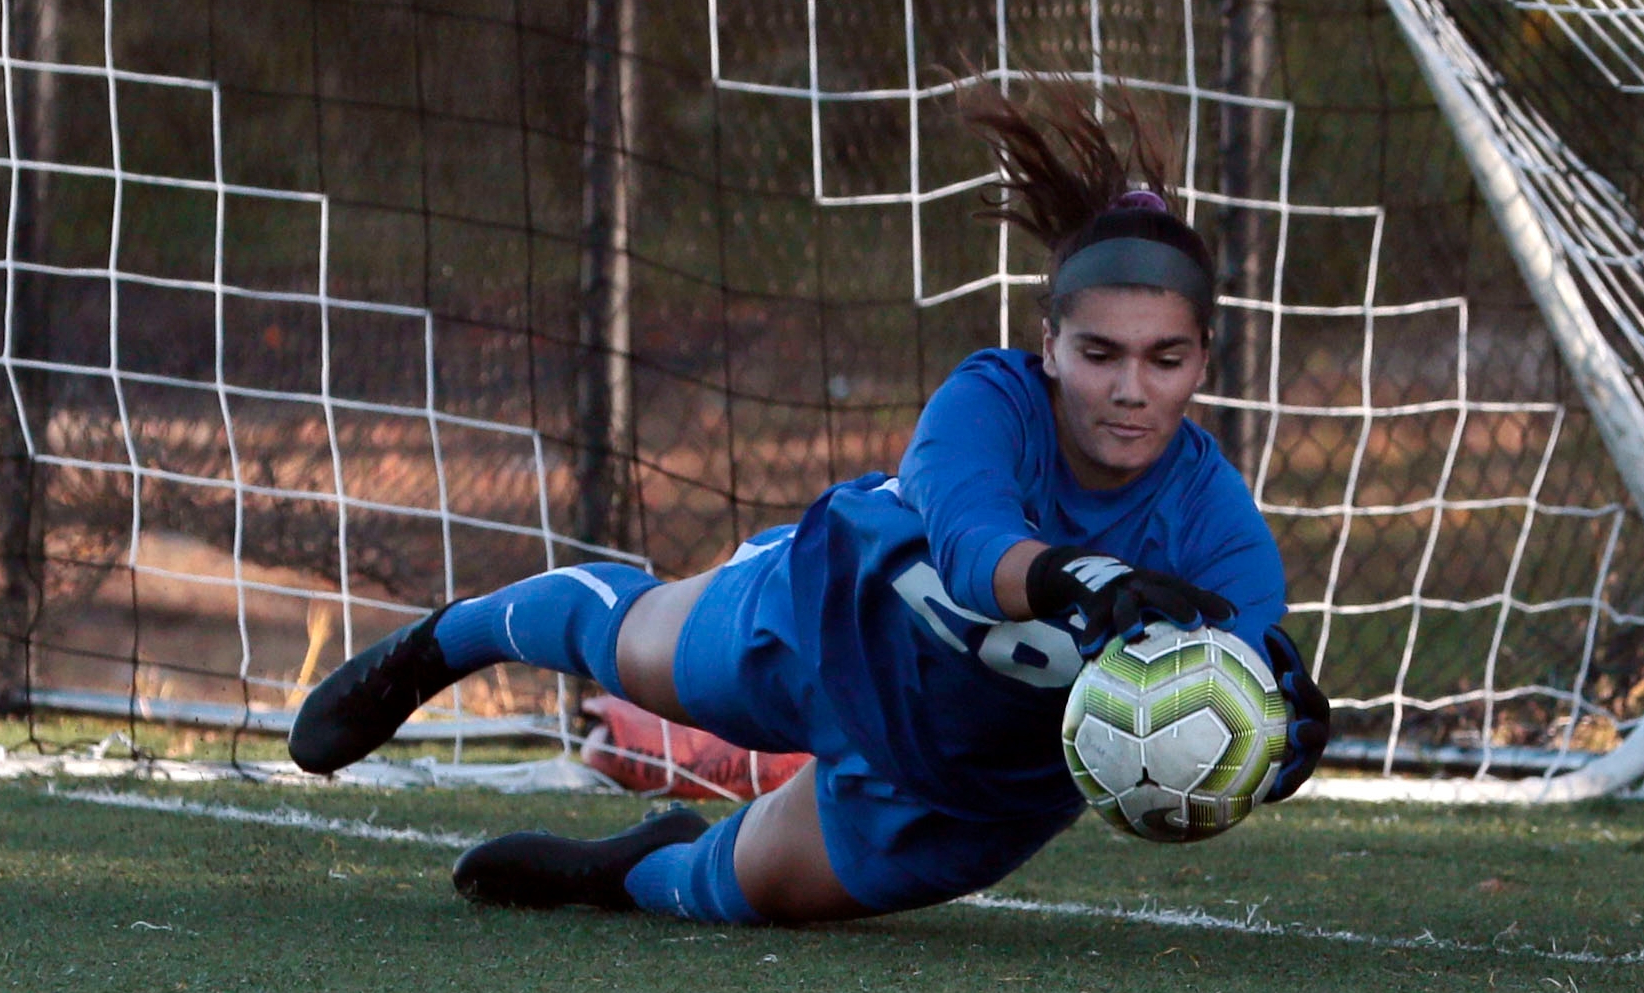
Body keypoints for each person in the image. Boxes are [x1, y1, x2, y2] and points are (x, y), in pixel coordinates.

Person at [287, 72, 1331, 925]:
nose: (1127, 388)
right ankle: (447, 641)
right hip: (830, 620)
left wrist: (1276, 741)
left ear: (1202, 361)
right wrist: (1085, 580)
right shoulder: (989, 401)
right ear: (1049, 343)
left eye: (1163, 358)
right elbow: (971, 546)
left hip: (964, 793)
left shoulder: (1219, 532)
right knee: (632, 648)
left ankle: (622, 870)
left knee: (723, 899)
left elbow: (1238, 699)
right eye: (1098, 352)